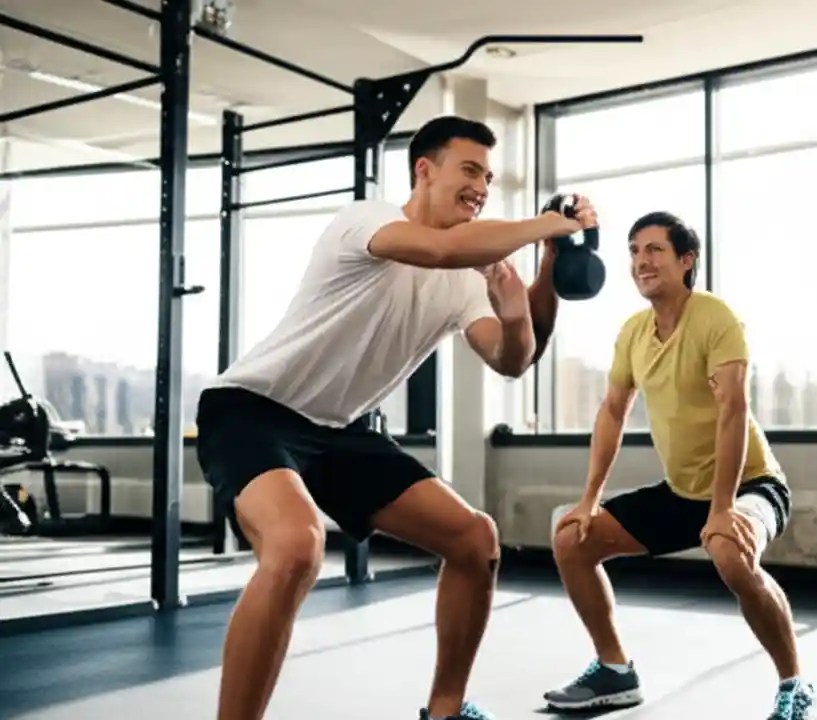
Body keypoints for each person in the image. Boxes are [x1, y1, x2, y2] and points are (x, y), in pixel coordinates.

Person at [195, 115, 597, 720]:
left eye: (488, 177)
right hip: (252, 412)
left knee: (474, 540)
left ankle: (445, 708)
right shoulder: (367, 220)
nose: (481, 186)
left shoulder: (467, 278)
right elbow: (439, 248)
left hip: (340, 430)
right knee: (297, 546)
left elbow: (512, 361)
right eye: (469, 170)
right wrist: (550, 222)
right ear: (424, 170)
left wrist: (526, 300)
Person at [543, 212, 817, 720]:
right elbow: (612, 411)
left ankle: (793, 684)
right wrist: (588, 501)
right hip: (682, 491)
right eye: (634, 251)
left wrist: (720, 508)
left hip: (752, 484)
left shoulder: (715, 317)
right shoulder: (633, 332)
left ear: (686, 260)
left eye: (654, 250)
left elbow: (734, 410)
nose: (641, 261)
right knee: (571, 540)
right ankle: (615, 671)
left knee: (730, 551)